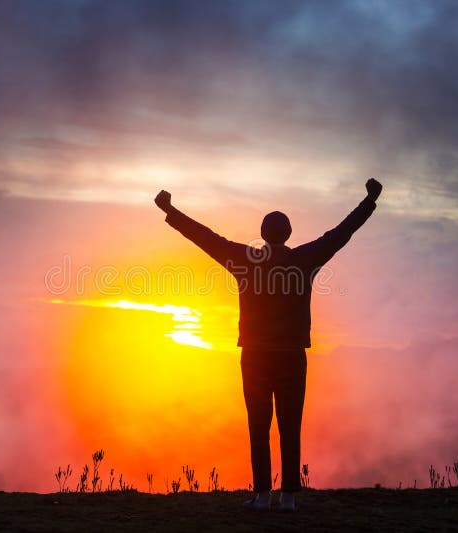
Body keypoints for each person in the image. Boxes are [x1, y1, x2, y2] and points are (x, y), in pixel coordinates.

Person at [154, 178, 381, 511]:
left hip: (256, 356)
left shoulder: (245, 260)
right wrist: (369, 201)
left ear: (262, 234)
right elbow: (341, 233)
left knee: (258, 425)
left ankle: (262, 495)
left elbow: (205, 238)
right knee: (290, 425)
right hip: (291, 357)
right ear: (288, 234)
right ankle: (288, 497)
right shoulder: (304, 260)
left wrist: (171, 211)